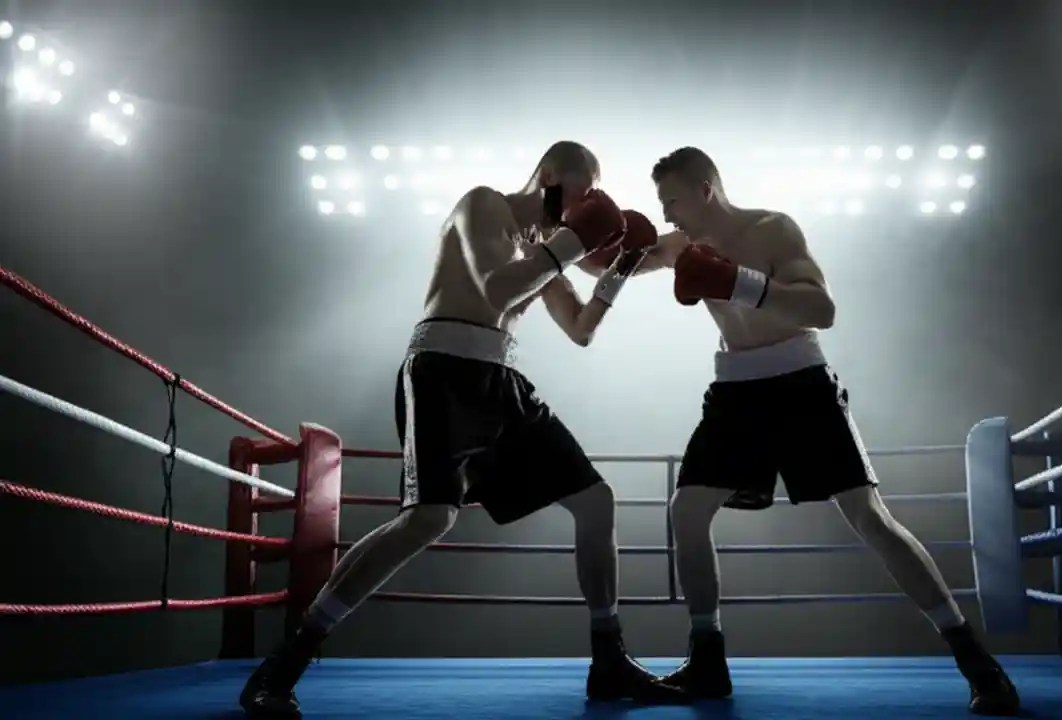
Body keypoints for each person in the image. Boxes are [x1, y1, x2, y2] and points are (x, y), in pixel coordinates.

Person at [239, 141, 683, 719]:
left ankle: (609, 661)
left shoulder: (543, 249)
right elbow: (496, 290)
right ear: (550, 175)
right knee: (427, 519)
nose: (590, 203)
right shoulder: (484, 205)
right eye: (586, 189)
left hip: (503, 381)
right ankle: (284, 664)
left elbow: (580, 328)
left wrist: (620, 269)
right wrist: (575, 241)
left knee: (596, 501)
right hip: (443, 369)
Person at [632, 146, 1021, 715]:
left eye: (671, 201)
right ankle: (708, 661)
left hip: (800, 382)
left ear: (705, 190)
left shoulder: (772, 229)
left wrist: (737, 281)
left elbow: (821, 309)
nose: (666, 215)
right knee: (687, 510)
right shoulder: (677, 247)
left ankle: (977, 662)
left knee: (870, 518)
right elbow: (608, 263)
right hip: (736, 390)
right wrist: (563, 233)